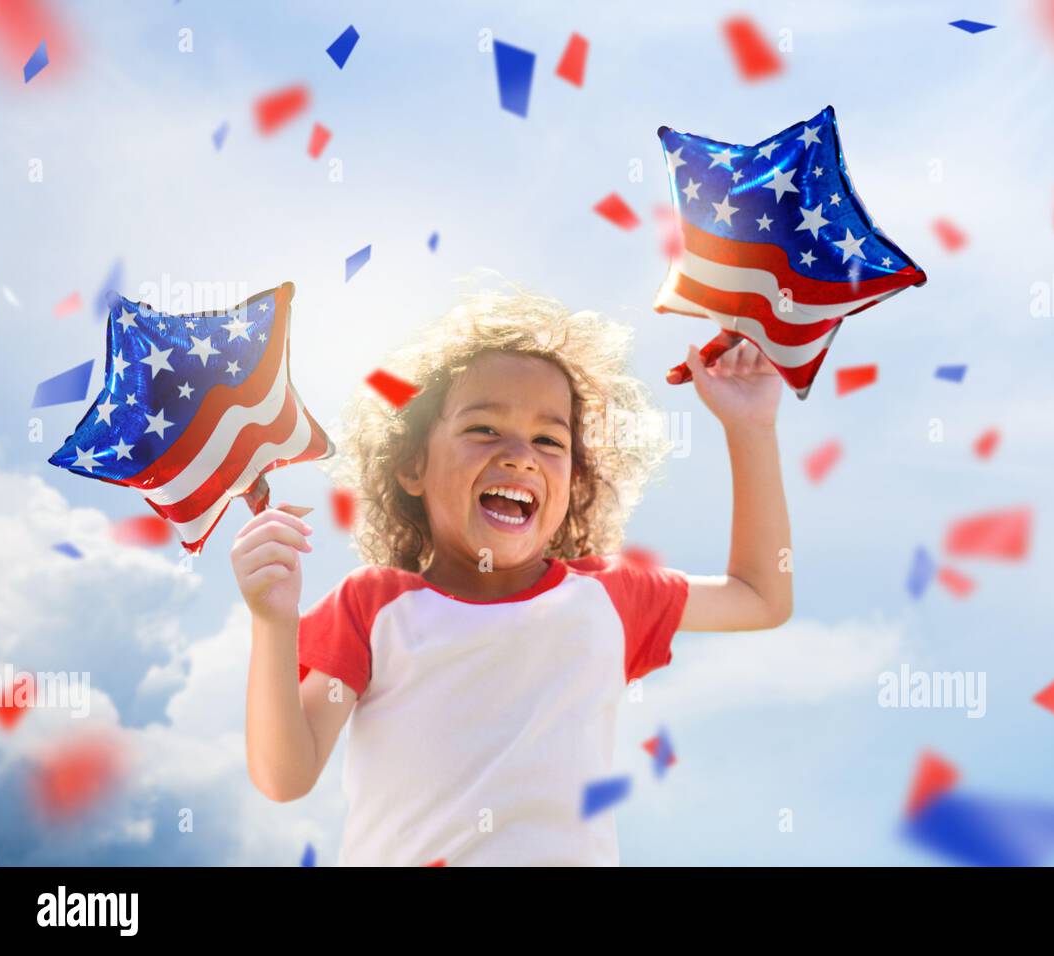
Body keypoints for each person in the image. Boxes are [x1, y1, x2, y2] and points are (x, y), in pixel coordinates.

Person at [234, 288, 792, 865]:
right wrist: (273, 623)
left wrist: (750, 427)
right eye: (484, 429)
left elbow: (760, 597)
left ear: (575, 480)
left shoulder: (609, 596)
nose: (521, 455)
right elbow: (285, 776)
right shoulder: (372, 604)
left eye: (549, 440)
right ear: (412, 465)